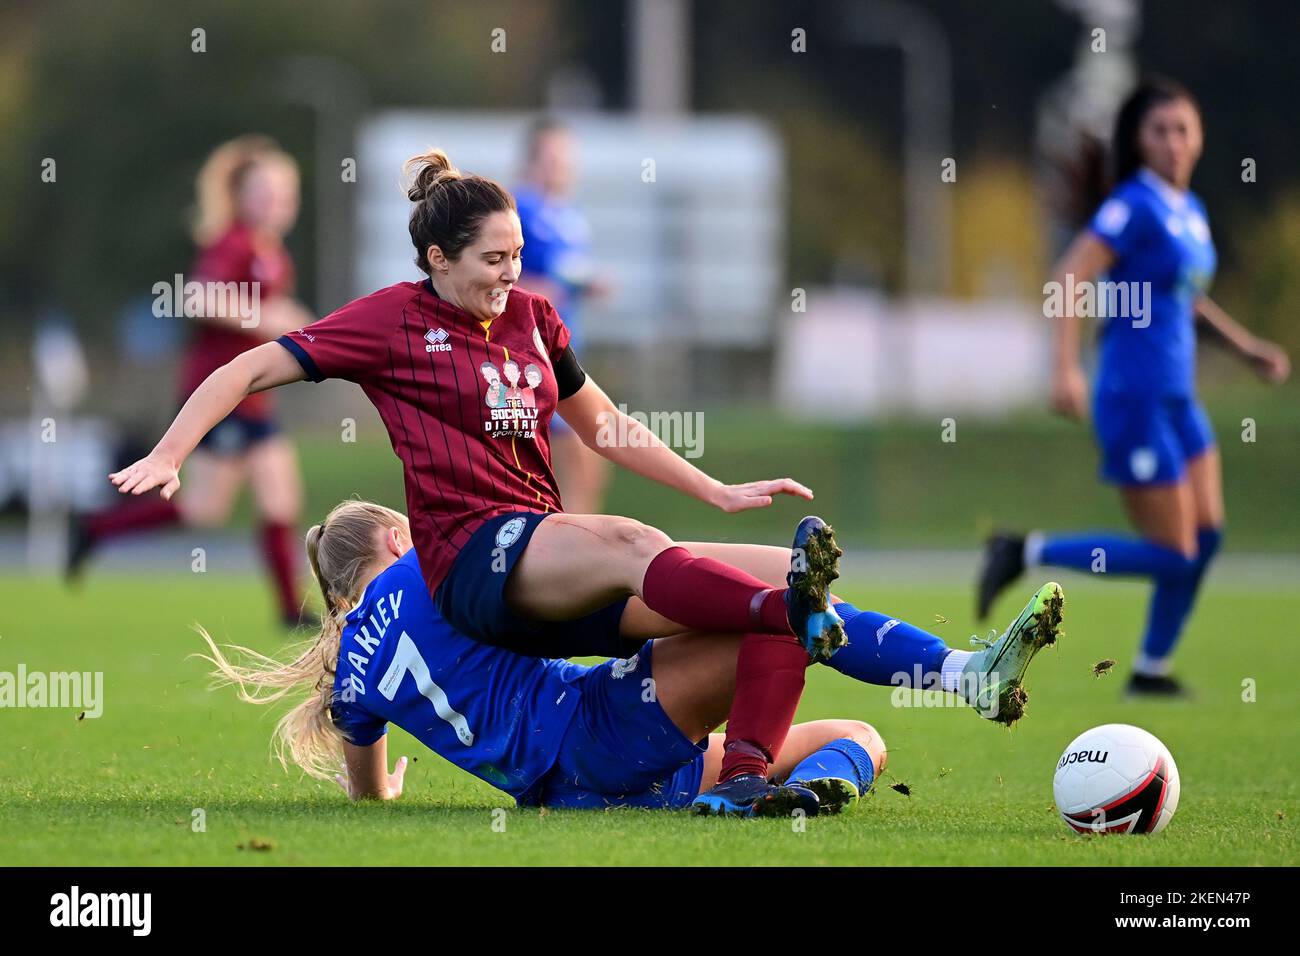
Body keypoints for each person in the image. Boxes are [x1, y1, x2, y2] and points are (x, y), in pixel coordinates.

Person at [108, 146, 855, 812]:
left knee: (809, 685)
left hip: (557, 757)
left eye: (516, 255)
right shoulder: (391, 338)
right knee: (681, 577)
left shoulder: (356, 673)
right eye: (496, 257)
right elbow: (246, 360)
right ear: (439, 257)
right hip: (559, 673)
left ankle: (843, 687)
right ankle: (792, 622)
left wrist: (714, 490)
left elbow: (603, 427)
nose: (511, 272)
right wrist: (172, 450)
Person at [199, 500, 1066, 816]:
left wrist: (386, 789)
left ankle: (778, 786)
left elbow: (366, 786)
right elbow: (597, 594)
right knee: (783, 619)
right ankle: (957, 673)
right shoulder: (438, 566)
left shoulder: (351, 671)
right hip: (595, 725)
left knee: (858, 735)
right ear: (397, 533)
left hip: (577, 790)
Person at [978, 78, 1290, 696]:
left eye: (1183, 129)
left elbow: (1185, 299)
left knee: (1207, 538)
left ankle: (1151, 668)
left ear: (1199, 137)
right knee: (1174, 551)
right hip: (1132, 394)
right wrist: (1064, 367)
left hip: (1178, 398)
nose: (1173, 142)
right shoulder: (1135, 204)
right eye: (1159, 131)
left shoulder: (1189, 211)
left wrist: (1246, 346)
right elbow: (1070, 276)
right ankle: (1022, 551)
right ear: (1139, 142)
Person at [70, 135, 317, 628]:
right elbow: (199, 299)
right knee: (204, 509)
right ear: (241, 197)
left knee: (281, 498)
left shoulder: (273, 253)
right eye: (266, 192)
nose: (278, 203)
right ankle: (96, 527)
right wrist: (266, 318)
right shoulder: (232, 242)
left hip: (253, 399)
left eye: (285, 194)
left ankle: (290, 611)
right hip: (217, 395)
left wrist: (288, 320)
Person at [514, 117, 613, 516]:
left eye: (567, 158)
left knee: (595, 452)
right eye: (553, 158)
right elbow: (500, 279)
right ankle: (571, 552)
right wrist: (550, 289)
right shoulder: (518, 208)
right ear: (534, 161)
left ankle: (582, 548)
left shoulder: (569, 218)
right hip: (528, 356)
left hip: (564, 350)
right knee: (582, 449)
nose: (563, 167)